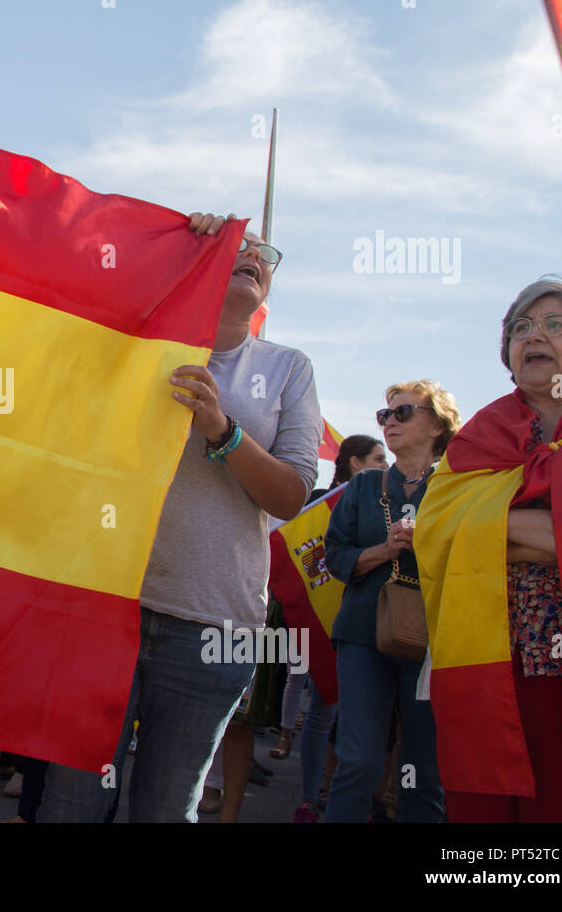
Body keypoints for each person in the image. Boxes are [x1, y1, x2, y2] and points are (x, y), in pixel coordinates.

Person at [38, 214, 323, 822]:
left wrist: (223, 431)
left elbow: (293, 495)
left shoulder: (288, 368)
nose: (252, 256)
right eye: (235, 247)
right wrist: (174, 245)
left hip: (216, 622)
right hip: (106, 605)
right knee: (71, 804)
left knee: (169, 808)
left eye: (262, 253)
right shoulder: (130, 342)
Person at [417, 277, 562, 822]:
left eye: (555, 324)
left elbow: (463, 530)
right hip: (488, 660)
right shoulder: (482, 435)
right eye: (521, 328)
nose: (533, 336)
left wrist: (489, 529)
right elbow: (437, 533)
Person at [321, 380, 461, 823]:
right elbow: (335, 558)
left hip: (434, 642)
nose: (390, 423)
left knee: (423, 772)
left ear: (438, 425)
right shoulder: (362, 487)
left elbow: (479, 557)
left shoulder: (460, 486)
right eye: (386, 415)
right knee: (358, 760)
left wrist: (431, 543)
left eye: (404, 413)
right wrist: (386, 550)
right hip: (363, 635)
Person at [285, 434, 387, 821]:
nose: (385, 465)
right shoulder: (323, 502)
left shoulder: (388, 499)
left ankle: (349, 795)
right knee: (322, 708)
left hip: (376, 623)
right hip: (335, 620)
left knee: (354, 724)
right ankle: (312, 796)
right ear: (357, 463)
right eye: (378, 458)